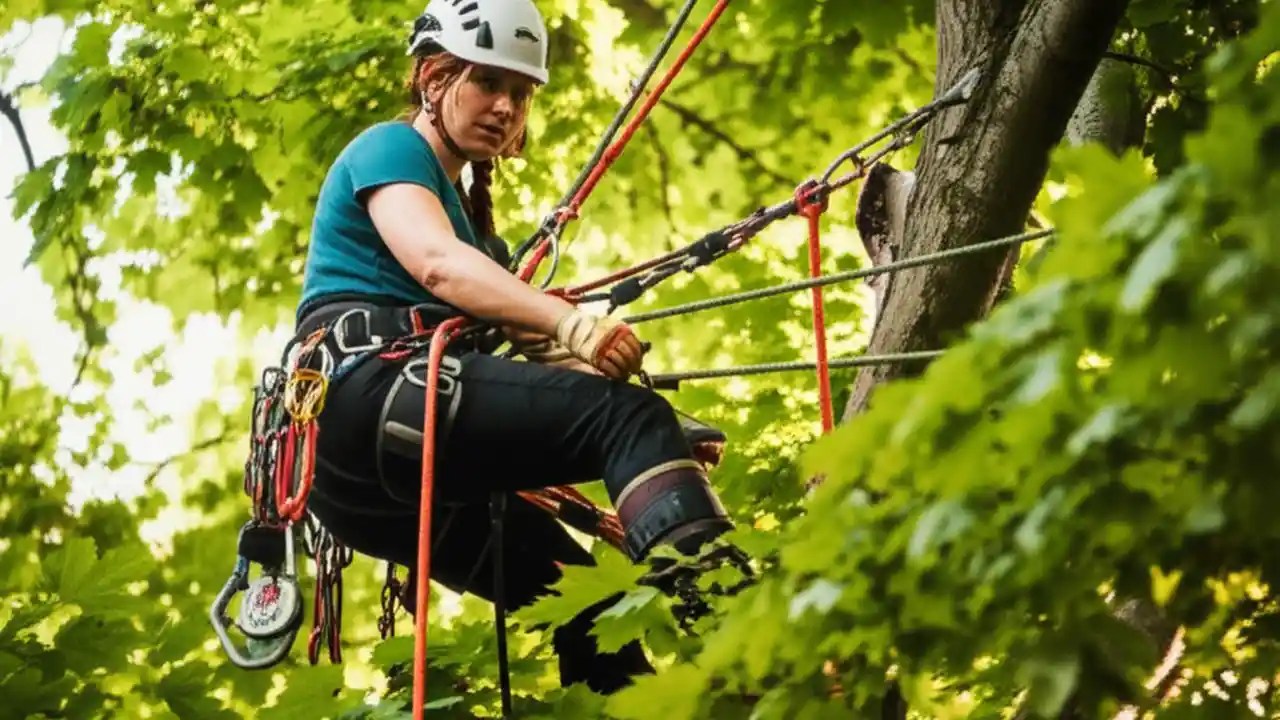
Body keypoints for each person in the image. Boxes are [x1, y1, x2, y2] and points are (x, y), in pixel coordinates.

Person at [291, 0, 736, 694]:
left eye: (521, 95)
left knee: (589, 598)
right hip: (371, 396)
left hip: (366, 473)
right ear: (435, 80)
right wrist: (579, 337)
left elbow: (539, 348)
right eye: (490, 84)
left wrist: (653, 425)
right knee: (629, 424)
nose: (506, 107)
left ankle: (627, 709)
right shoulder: (391, 148)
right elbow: (437, 264)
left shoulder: (480, 243)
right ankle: (741, 630)